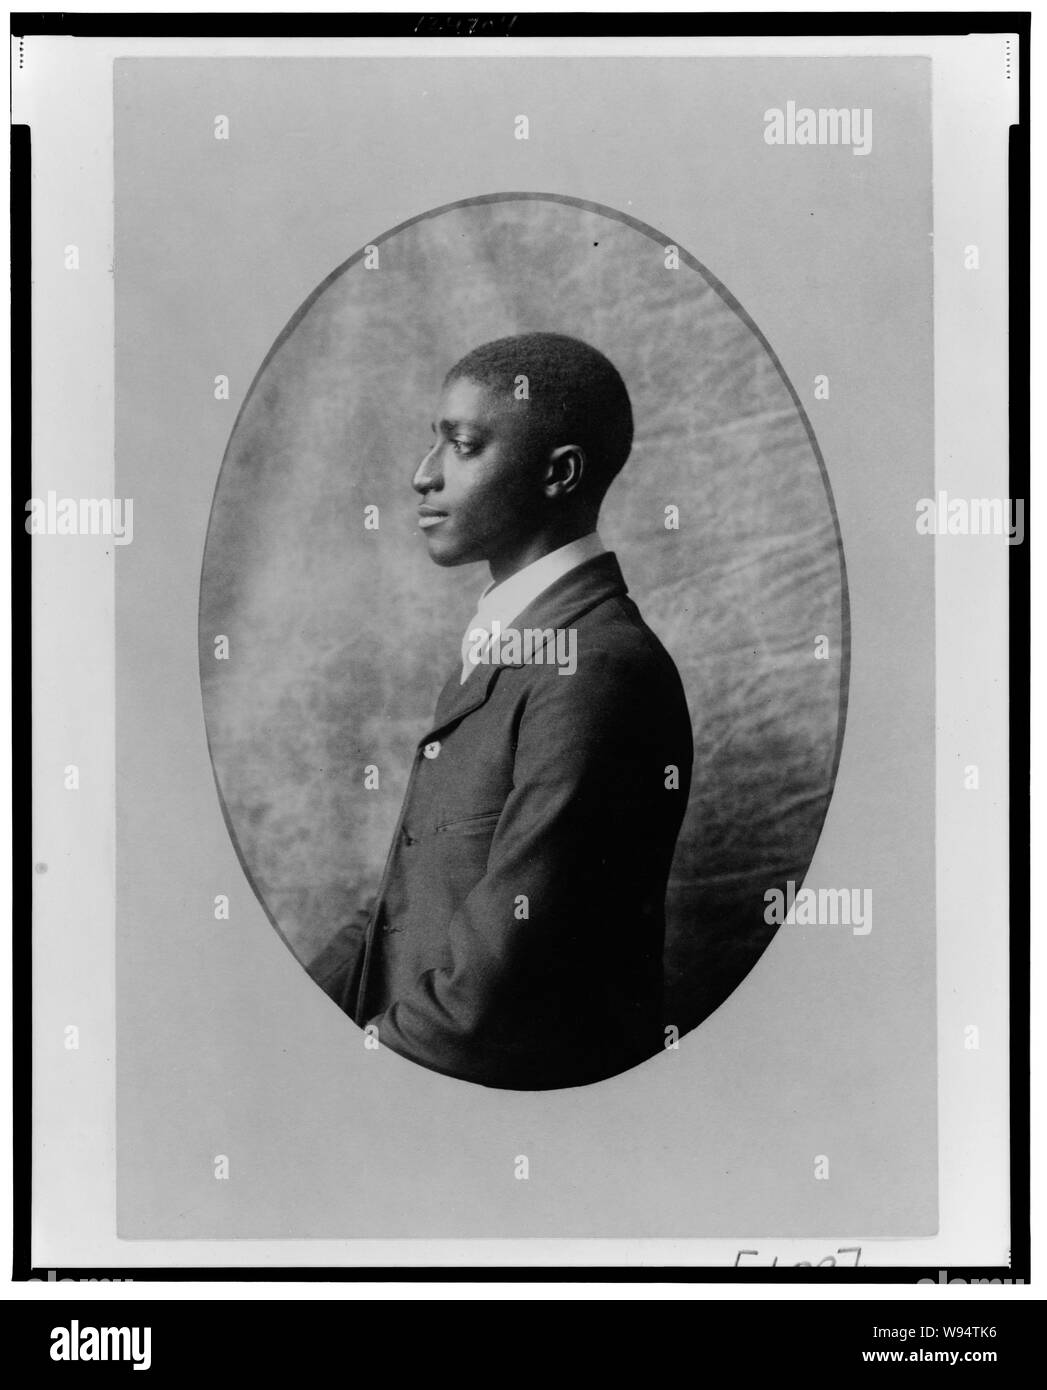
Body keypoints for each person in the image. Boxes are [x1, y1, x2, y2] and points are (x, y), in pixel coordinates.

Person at [314, 332, 693, 1089]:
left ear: (559, 474)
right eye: (434, 442)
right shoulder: (509, 640)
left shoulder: (592, 668)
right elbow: (405, 899)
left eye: (462, 446)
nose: (423, 475)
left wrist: (337, 1081)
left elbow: (502, 980)